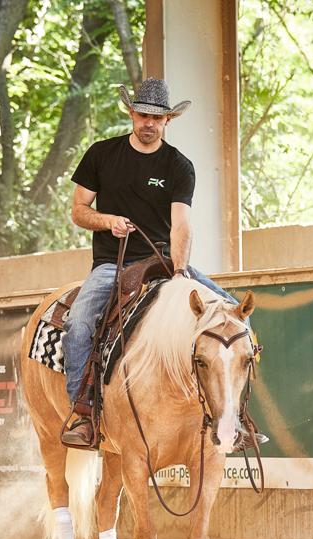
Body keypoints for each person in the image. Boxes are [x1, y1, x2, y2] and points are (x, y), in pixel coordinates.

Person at [59, 77, 265, 451]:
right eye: (142, 115)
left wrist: (182, 269)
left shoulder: (178, 166)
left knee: (240, 319)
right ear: (131, 113)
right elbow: (78, 210)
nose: (148, 123)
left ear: (168, 120)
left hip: (166, 261)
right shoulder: (101, 155)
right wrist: (108, 221)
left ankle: (238, 418)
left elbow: (182, 224)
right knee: (78, 324)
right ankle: (84, 414)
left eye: (157, 117)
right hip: (112, 265)